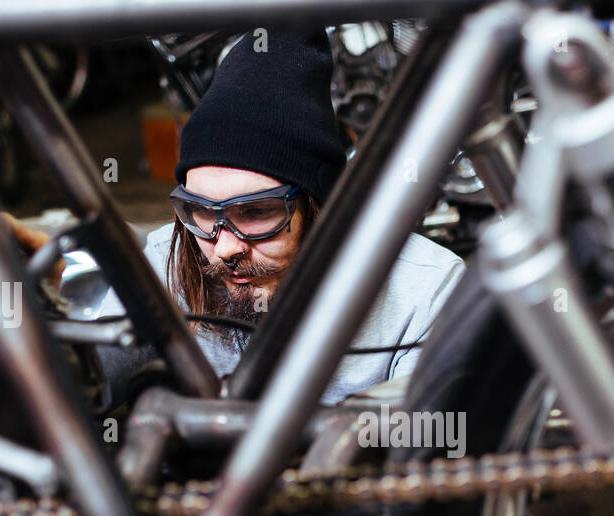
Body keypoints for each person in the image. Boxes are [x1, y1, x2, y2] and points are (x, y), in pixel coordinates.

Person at [100, 29, 464, 404]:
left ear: (319, 208)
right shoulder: (166, 264)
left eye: (256, 212)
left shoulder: (425, 294)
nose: (223, 249)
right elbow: (92, 385)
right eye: (202, 211)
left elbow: (426, 446)